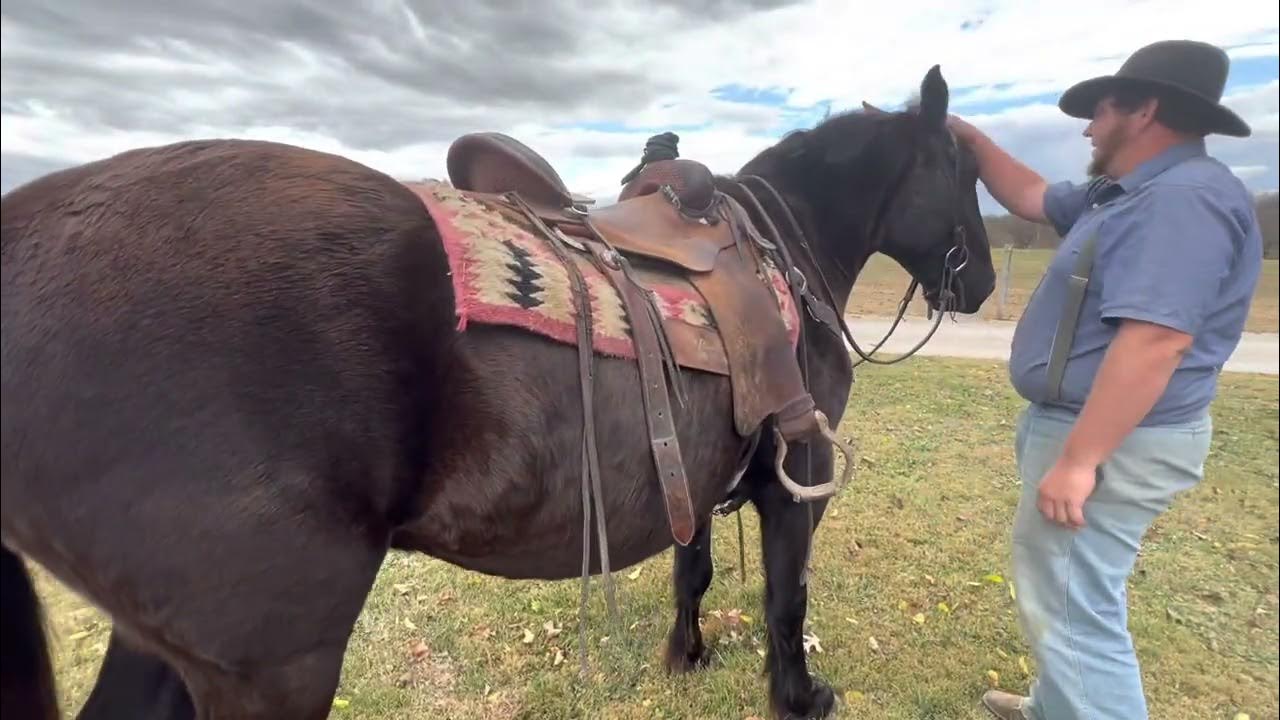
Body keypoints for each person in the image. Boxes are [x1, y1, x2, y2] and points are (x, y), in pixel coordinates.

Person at [947, 40, 1263, 720]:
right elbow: (1030, 194)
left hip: (1113, 440)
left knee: (1072, 608)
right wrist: (967, 136)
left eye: (1099, 109)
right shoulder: (1122, 194)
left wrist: (1082, 459)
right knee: (1067, 590)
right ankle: (1055, 706)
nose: (1087, 126)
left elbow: (1156, 341)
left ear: (1145, 110)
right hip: (1099, 430)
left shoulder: (1181, 201)